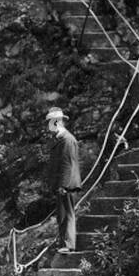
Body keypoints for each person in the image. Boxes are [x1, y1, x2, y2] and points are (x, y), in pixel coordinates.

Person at [45, 106, 81, 252]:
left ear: (56, 122)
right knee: (62, 215)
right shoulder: (60, 139)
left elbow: (68, 164)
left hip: (67, 185)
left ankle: (69, 245)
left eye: (50, 122)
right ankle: (64, 245)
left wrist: (63, 185)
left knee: (67, 215)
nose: (48, 126)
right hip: (62, 185)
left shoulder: (67, 140)